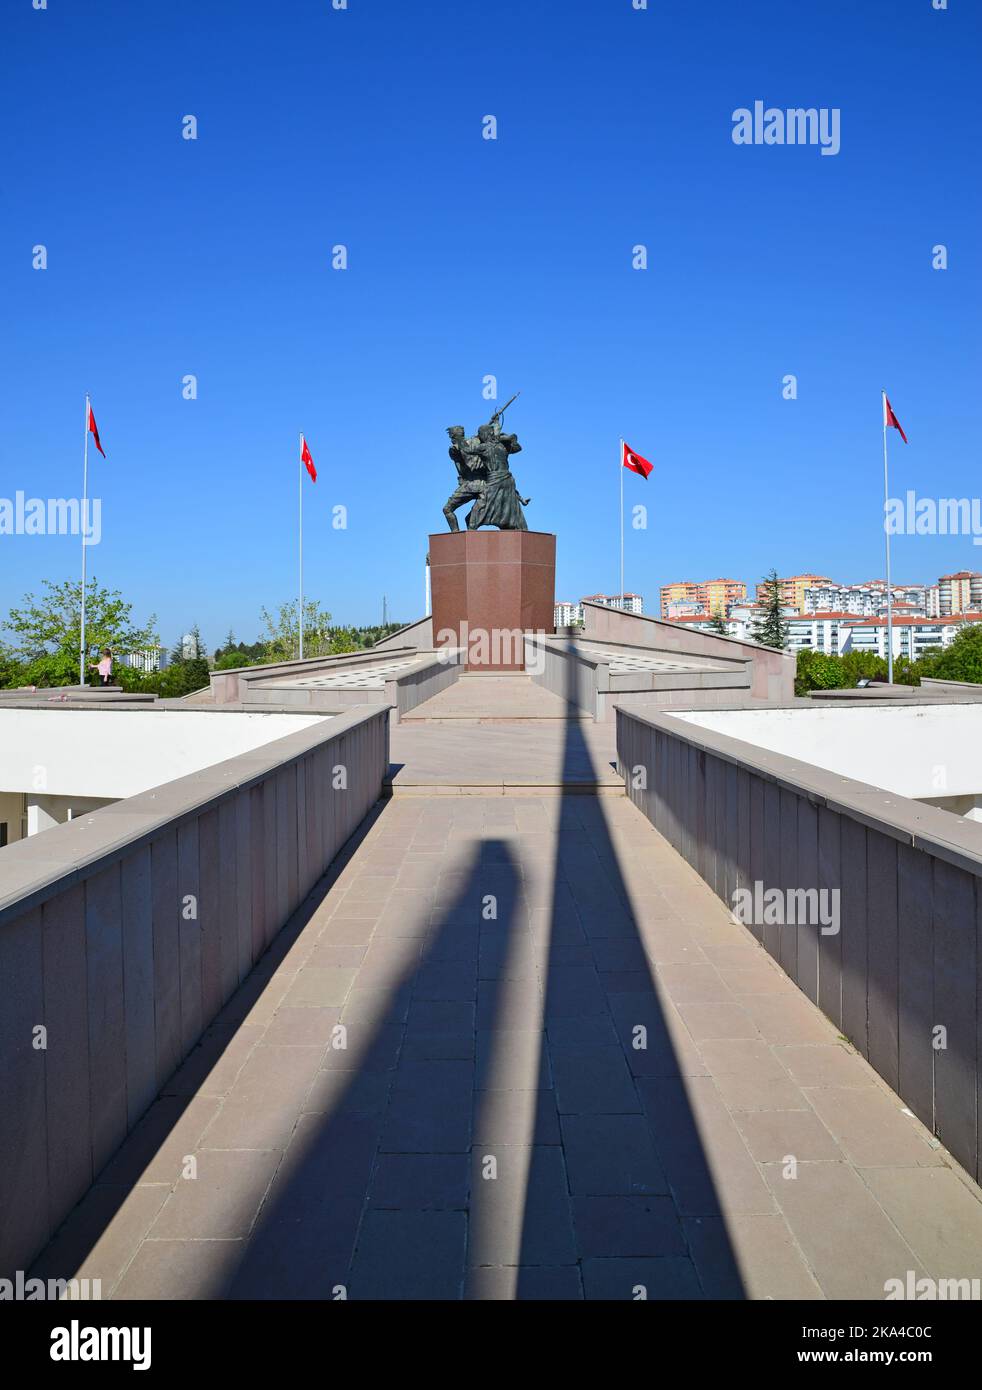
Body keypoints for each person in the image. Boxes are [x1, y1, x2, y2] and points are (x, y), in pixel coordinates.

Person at [464, 423, 531, 531]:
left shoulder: (484, 447)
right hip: (507, 481)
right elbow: (517, 447)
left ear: (485, 434)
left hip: (495, 481)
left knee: (476, 513)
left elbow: (466, 450)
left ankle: (472, 533)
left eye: (480, 434)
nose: (480, 437)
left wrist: (460, 438)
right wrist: (511, 439)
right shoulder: (502, 446)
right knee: (509, 509)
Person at [442, 425, 488, 531]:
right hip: (484, 485)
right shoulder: (476, 441)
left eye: (451, 437)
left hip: (470, 485)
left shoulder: (454, 448)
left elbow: (456, 453)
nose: (451, 440)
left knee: (447, 509)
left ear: (454, 436)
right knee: (470, 519)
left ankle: (455, 535)